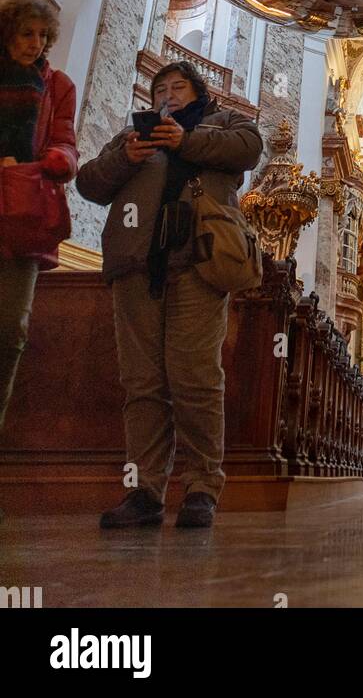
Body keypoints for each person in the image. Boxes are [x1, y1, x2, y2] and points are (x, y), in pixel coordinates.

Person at [77, 61, 262, 530]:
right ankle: (144, 490)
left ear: (197, 92)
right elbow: (88, 183)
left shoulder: (222, 124)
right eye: (162, 88)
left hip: (198, 265)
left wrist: (187, 140)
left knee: (195, 378)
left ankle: (202, 487)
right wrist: (127, 158)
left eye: (179, 86)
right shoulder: (130, 138)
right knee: (142, 383)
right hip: (136, 266)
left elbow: (250, 148)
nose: (169, 93)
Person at [0, 0, 77, 519]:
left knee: (11, 328)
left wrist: (47, 162)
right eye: (27, 34)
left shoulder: (58, 85)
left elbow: (67, 145)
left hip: (24, 217)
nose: (35, 44)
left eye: (42, 37)